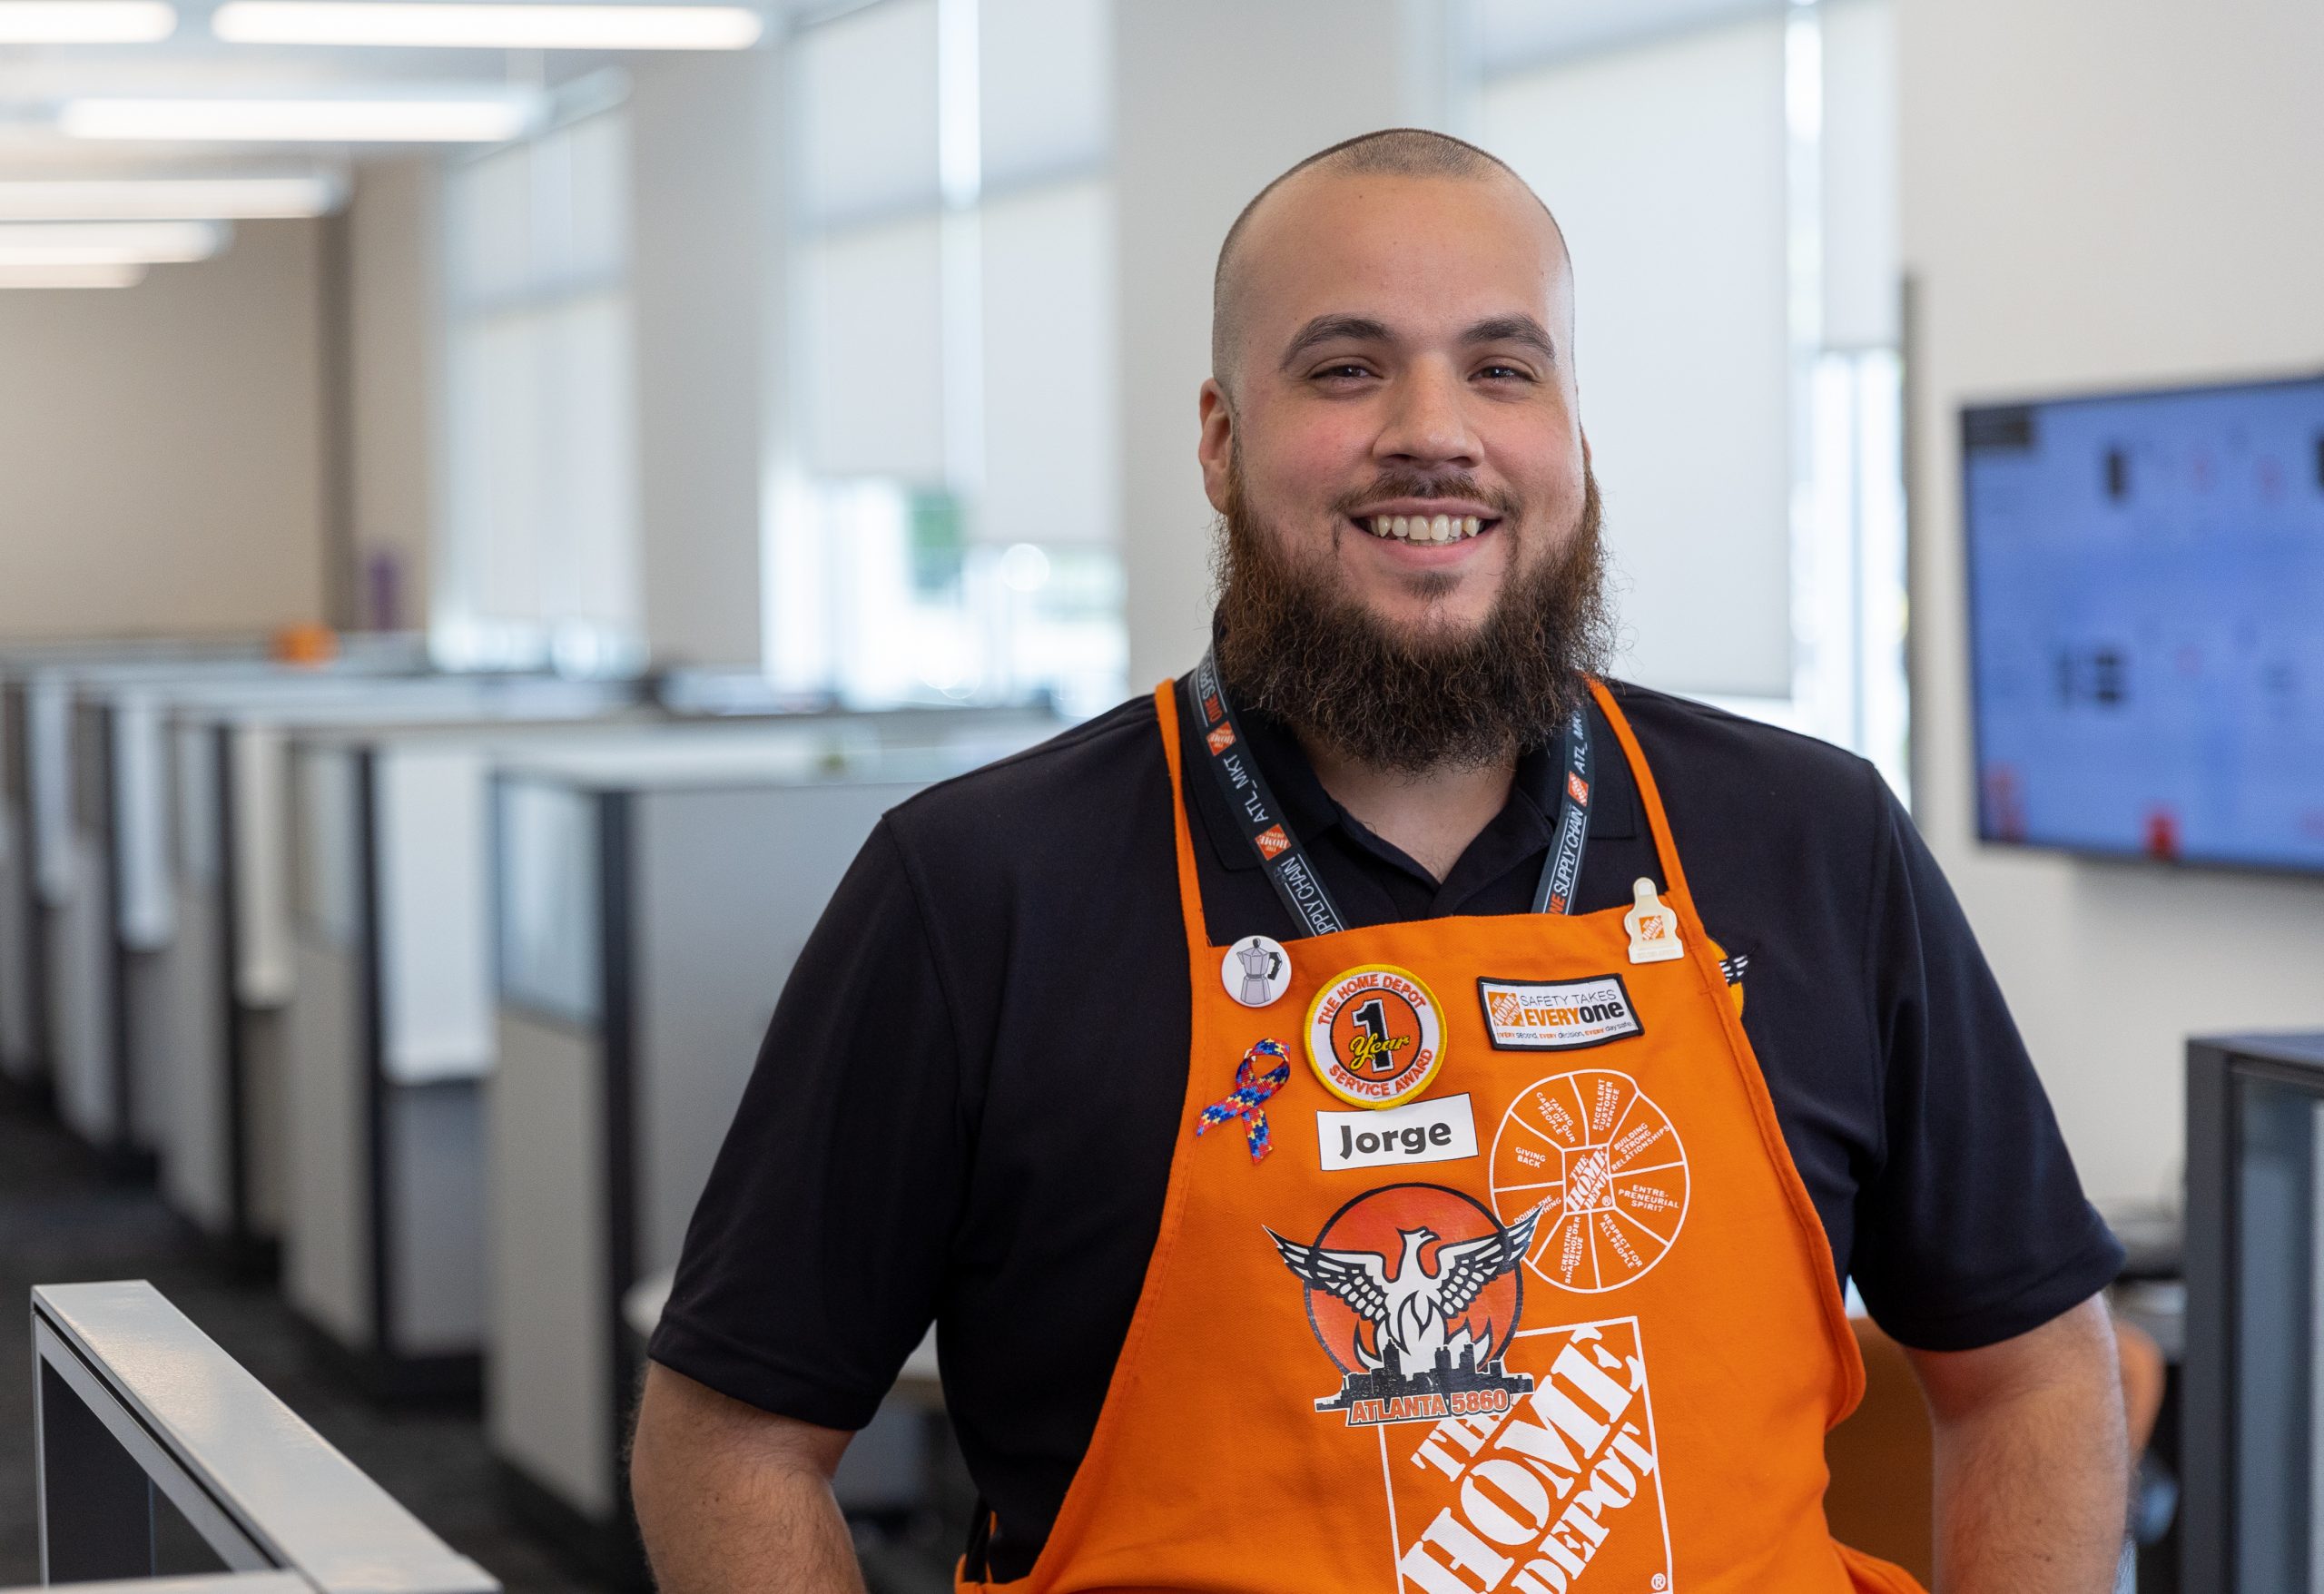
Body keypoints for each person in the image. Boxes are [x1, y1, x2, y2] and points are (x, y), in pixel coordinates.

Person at [631, 129, 2129, 1593]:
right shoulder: (977, 892)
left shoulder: (1814, 841)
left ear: (1576, 444)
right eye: (1347, 368)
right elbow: (730, 1440)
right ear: (1220, 440)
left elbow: (2038, 1376)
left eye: (1501, 366)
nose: (1435, 428)